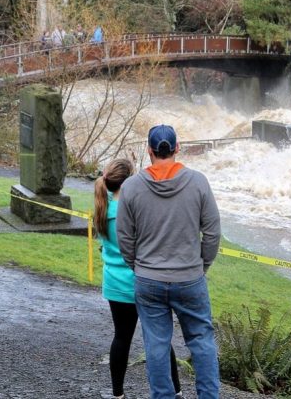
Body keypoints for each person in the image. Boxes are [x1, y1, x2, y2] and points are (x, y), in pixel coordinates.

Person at [117, 125, 222, 399]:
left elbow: (125, 238)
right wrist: (202, 265)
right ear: (177, 148)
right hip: (189, 278)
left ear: (149, 151)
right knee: (201, 341)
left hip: (149, 279)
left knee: (156, 343)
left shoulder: (131, 187)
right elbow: (212, 232)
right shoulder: (198, 182)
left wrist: (138, 267)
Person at [95, 158, 183, 399]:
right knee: (160, 338)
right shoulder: (134, 210)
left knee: (121, 337)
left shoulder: (102, 209)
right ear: (130, 180)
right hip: (143, 281)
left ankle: (117, 394)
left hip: (114, 283)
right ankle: (176, 389)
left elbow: (104, 247)